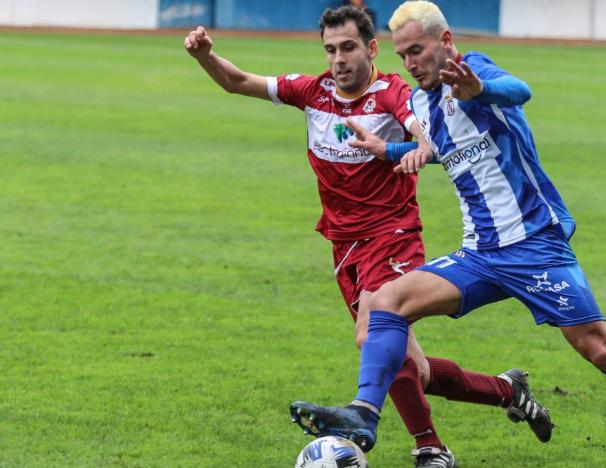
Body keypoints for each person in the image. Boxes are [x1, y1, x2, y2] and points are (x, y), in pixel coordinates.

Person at [289, 2, 606, 466]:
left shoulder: (474, 70)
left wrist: (480, 88)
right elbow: (443, 147)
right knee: (384, 302)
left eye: (417, 50)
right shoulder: (422, 100)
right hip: (479, 254)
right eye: (403, 56)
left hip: (535, 247)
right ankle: (364, 414)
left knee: (601, 350)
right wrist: (390, 148)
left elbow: (520, 91)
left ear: (444, 41)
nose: (411, 63)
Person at [182, 6, 552, 468]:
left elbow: (422, 127)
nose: (339, 59)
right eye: (331, 49)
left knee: (371, 332)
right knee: (410, 367)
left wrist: (420, 145)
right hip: (344, 245)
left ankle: (430, 449)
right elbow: (238, 81)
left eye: (349, 48)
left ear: (372, 48)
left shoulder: (393, 93)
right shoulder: (312, 91)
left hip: (392, 234)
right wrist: (205, 56)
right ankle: (507, 391)